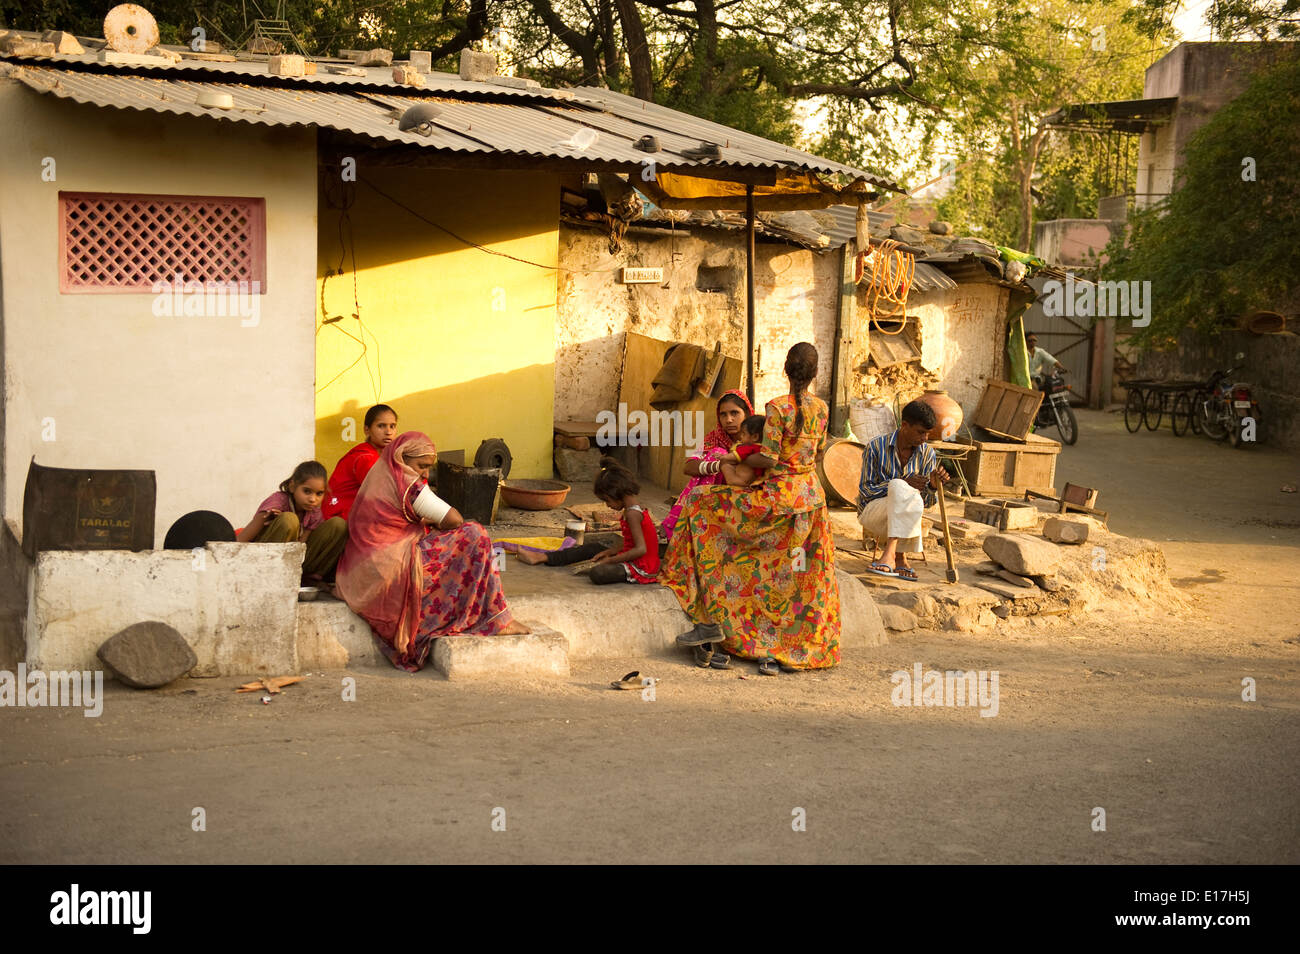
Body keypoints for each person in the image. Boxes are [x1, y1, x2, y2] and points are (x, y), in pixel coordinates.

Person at [661, 342, 840, 676]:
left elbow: (769, 458)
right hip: (811, 500)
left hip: (778, 497)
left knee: (701, 504)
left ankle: (712, 611)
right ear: (816, 372)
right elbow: (816, 452)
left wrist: (734, 456)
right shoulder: (823, 407)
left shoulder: (777, 408)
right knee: (797, 573)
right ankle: (793, 645)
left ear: (786, 368)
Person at [335, 431, 527, 672]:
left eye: (428, 467)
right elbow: (454, 519)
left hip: (362, 570)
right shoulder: (408, 483)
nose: (425, 473)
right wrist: (433, 522)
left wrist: (425, 522)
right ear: (403, 459)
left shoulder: (379, 475)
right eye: (421, 466)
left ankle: (487, 614)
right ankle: (498, 619)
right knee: (475, 535)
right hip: (391, 566)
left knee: (444, 537)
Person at [517, 457, 660, 584]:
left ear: (616, 492)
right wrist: (611, 551)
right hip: (635, 558)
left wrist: (611, 560)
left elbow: (641, 549)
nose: (607, 505)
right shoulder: (634, 508)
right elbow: (631, 543)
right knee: (594, 548)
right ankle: (542, 557)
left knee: (598, 573)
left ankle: (544, 558)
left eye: (607, 500)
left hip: (641, 567)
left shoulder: (632, 514)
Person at [857, 400, 949, 581]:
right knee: (899, 486)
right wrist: (900, 483)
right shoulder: (875, 447)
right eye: (921, 432)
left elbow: (925, 504)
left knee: (911, 495)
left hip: (907, 515)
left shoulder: (927, 454)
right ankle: (899, 556)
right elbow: (866, 492)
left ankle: (891, 554)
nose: (925, 439)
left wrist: (931, 486)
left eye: (928, 434)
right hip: (874, 513)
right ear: (905, 425)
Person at [660, 389, 754, 543]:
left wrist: (733, 461)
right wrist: (721, 464)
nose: (729, 419)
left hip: (747, 489)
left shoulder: (758, 434)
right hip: (717, 491)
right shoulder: (714, 438)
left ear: (747, 414)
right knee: (716, 452)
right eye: (723, 415)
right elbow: (689, 467)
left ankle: (679, 523)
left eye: (734, 413)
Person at [237, 461, 348, 584]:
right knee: (289, 520)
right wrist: (278, 523)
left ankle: (309, 579)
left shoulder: (314, 512)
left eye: (319, 494)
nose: (313, 499)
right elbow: (241, 539)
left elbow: (300, 549)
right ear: (292, 486)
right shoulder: (277, 502)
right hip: (264, 563)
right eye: (307, 491)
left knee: (339, 525)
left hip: (293, 564)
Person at [322, 404, 398, 521]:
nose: (388, 432)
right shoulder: (365, 458)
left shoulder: (384, 456)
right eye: (381, 426)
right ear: (367, 430)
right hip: (338, 520)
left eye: (392, 426)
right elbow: (386, 495)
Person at [717, 414, 768, 486]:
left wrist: (722, 457)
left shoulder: (750, 448)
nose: (741, 436)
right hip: (754, 481)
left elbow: (734, 456)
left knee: (725, 465)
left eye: (743, 434)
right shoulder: (764, 449)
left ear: (755, 437)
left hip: (738, 481)